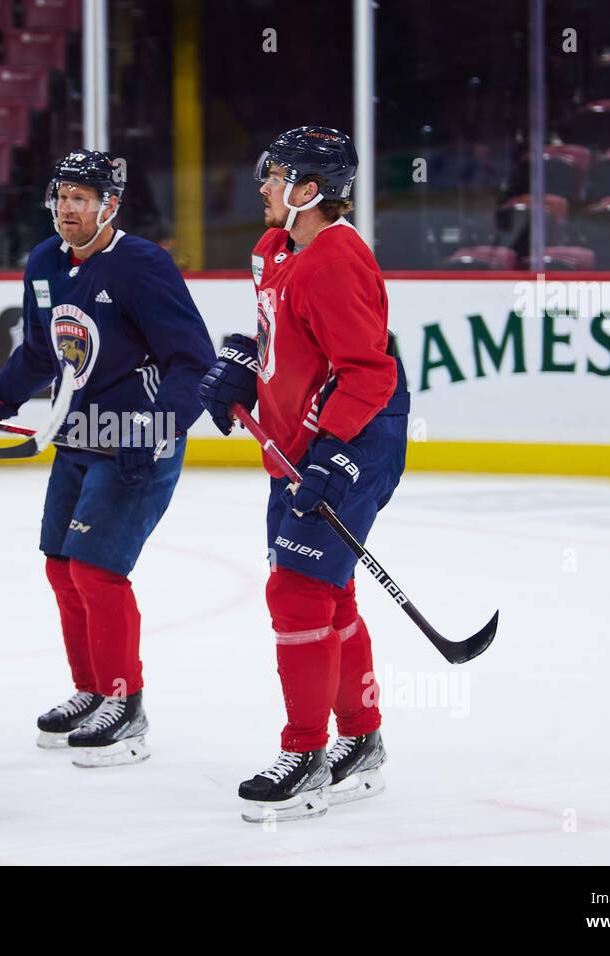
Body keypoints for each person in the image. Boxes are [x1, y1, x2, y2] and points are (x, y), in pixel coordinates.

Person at [0, 149, 215, 767]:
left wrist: (158, 427)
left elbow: (192, 363)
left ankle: (126, 703)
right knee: (62, 567)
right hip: (76, 438)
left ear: (110, 206)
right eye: (61, 196)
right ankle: (93, 688)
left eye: (81, 199)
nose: (67, 208)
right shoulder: (44, 262)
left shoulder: (142, 266)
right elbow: (40, 354)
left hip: (135, 445)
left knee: (97, 571)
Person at [199, 126, 410, 822]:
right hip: (296, 448)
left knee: (295, 593)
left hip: (352, 443)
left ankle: (307, 753)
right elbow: (281, 341)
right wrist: (241, 367)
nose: (261, 185)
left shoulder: (337, 261)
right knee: (327, 595)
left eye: (275, 175)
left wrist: (334, 458)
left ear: (309, 190)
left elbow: (368, 375)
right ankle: (361, 740)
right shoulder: (275, 249)